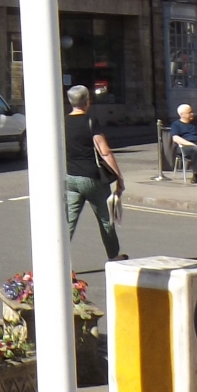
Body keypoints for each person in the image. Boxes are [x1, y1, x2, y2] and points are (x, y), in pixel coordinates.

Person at [64, 84, 125, 261]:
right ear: (87, 101)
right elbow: (104, 152)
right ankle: (114, 257)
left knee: (68, 221)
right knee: (105, 219)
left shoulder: (63, 122)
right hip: (91, 177)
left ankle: (57, 258)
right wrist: (119, 177)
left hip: (71, 177)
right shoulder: (90, 122)